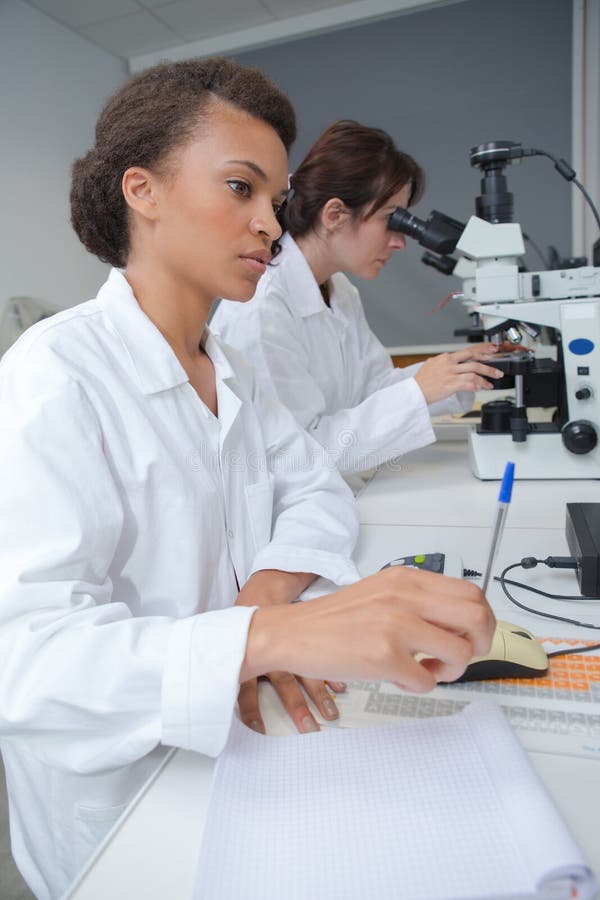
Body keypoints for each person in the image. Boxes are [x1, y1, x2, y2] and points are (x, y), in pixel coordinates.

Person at [0, 60, 494, 900]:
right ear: (142, 191)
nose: (271, 222)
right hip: (120, 807)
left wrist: (257, 608)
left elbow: (317, 490)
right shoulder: (54, 375)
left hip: (241, 745)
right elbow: (27, 661)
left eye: (274, 196)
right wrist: (266, 640)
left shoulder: (229, 367)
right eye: (240, 187)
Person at [210, 120, 504, 480]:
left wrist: (454, 375)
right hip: (288, 515)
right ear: (334, 215)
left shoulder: (340, 290)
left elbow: (372, 388)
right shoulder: (259, 311)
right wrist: (417, 391)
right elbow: (298, 456)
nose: (400, 241)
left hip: (344, 491)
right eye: (390, 219)